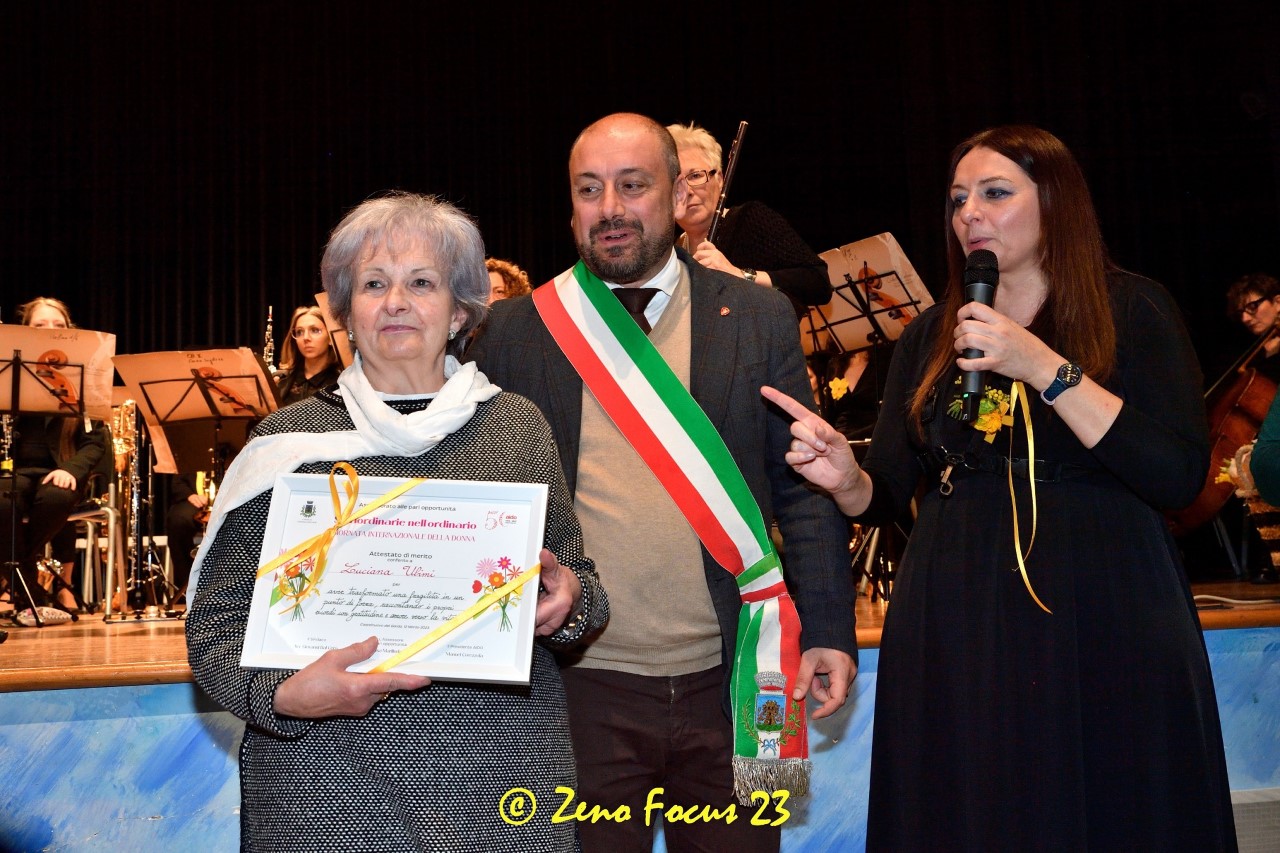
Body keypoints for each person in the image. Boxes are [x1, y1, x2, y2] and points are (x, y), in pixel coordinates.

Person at [762, 125, 1237, 851]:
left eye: (994, 193)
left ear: (1054, 201)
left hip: (1104, 597)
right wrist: (845, 479)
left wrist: (1042, 366)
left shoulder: (1134, 309)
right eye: (958, 200)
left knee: (1109, 797)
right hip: (957, 601)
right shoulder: (930, 334)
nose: (969, 215)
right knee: (970, 801)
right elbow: (886, 492)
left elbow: (1175, 475)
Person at [469, 113, 857, 853]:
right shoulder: (516, 330)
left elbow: (801, 487)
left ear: (679, 195)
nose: (609, 207)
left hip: (736, 680)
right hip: (577, 690)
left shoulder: (757, 314)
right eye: (589, 189)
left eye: (632, 185)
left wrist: (831, 627)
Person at [185, 192, 609, 852]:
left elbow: (582, 589)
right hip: (323, 795)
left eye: (422, 283)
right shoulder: (285, 442)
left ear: (461, 310)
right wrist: (284, 697)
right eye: (373, 284)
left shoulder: (516, 429)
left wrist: (568, 600)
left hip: (498, 789)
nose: (396, 303)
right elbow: (214, 629)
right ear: (345, 311)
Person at [0, 297, 108, 621]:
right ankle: (30, 584)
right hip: (13, 471)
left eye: (58, 325)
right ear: (24, 331)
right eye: (40, 325)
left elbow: (95, 442)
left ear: (70, 331)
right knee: (2, 502)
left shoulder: (83, 375)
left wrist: (72, 470)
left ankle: (17, 582)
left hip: (59, 470)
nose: (50, 330)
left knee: (57, 498)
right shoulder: (7, 371)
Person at [667, 121, 831, 320]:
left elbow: (818, 282)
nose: (688, 191)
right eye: (677, 183)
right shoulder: (673, 252)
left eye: (695, 175)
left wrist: (740, 275)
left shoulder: (748, 220)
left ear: (720, 179)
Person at [273, 305, 342, 405]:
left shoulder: (342, 383)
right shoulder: (281, 380)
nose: (305, 338)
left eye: (315, 330)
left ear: (330, 338)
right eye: (299, 332)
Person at [1224, 272, 1280, 381]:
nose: (1245, 319)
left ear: (1278, 302)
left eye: (1252, 306)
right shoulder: (1260, 354)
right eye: (1241, 313)